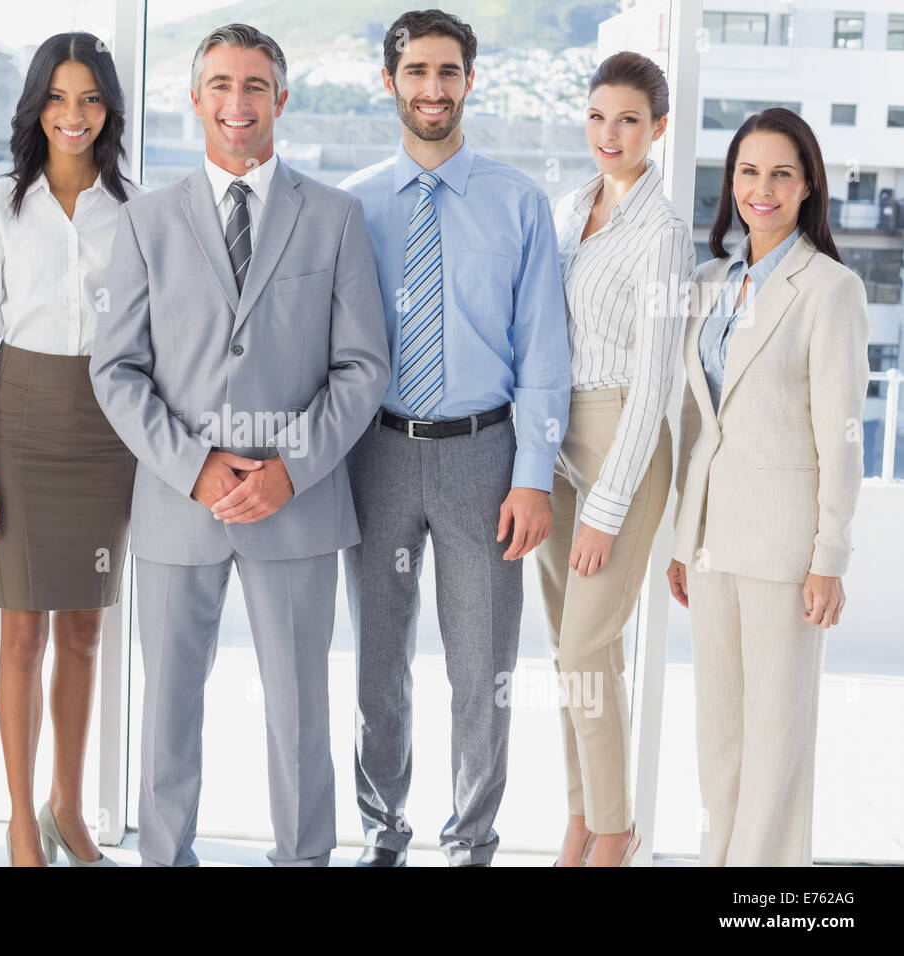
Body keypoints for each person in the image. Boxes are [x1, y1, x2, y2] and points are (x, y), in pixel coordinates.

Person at [90, 22, 390, 867]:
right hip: (178, 505)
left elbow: (363, 367)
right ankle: (165, 857)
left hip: (295, 506)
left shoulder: (334, 218)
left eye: (254, 85)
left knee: (299, 709)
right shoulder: (147, 220)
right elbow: (116, 371)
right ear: (194, 101)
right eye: (219, 84)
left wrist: (291, 470)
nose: (237, 101)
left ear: (281, 100)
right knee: (169, 707)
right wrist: (193, 465)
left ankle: (303, 858)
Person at [339, 9, 570, 867]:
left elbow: (545, 351)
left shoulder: (519, 202)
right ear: (391, 82)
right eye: (416, 72)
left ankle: (472, 841)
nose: (432, 89)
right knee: (377, 664)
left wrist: (534, 475)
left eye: (447, 72)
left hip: (486, 456)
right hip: (377, 453)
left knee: (482, 672)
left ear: (470, 81)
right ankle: (382, 830)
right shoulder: (352, 206)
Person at [0, 32, 138, 867]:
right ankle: (22, 822)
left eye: (91, 98)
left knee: (88, 634)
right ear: (37, 106)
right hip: (20, 426)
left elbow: (152, 339)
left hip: (108, 430)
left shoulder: (138, 209)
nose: (75, 115)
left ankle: (69, 806)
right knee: (22, 631)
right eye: (59, 98)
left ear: (110, 109)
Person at [667, 108, 868, 867]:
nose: (763, 187)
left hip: (787, 552)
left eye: (781, 172)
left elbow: (839, 437)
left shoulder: (830, 288)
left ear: (807, 184)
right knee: (721, 736)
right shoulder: (709, 282)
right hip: (713, 545)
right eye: (749, 171)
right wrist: (685, 540)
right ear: (731, 182)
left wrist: (830, 557)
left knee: (777, 739)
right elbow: (697, 423)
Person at [542, 52, 694, 867]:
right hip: (557, 443)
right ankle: (581, 816)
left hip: (620, 448)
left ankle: (615, 832)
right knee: (564, 649)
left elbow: (656, 383)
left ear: (658, 129)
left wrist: (605, 507)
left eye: (629, 119)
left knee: (586, 649)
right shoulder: (572, 210)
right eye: (599, 116)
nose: (611, 133)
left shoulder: (663, 236)